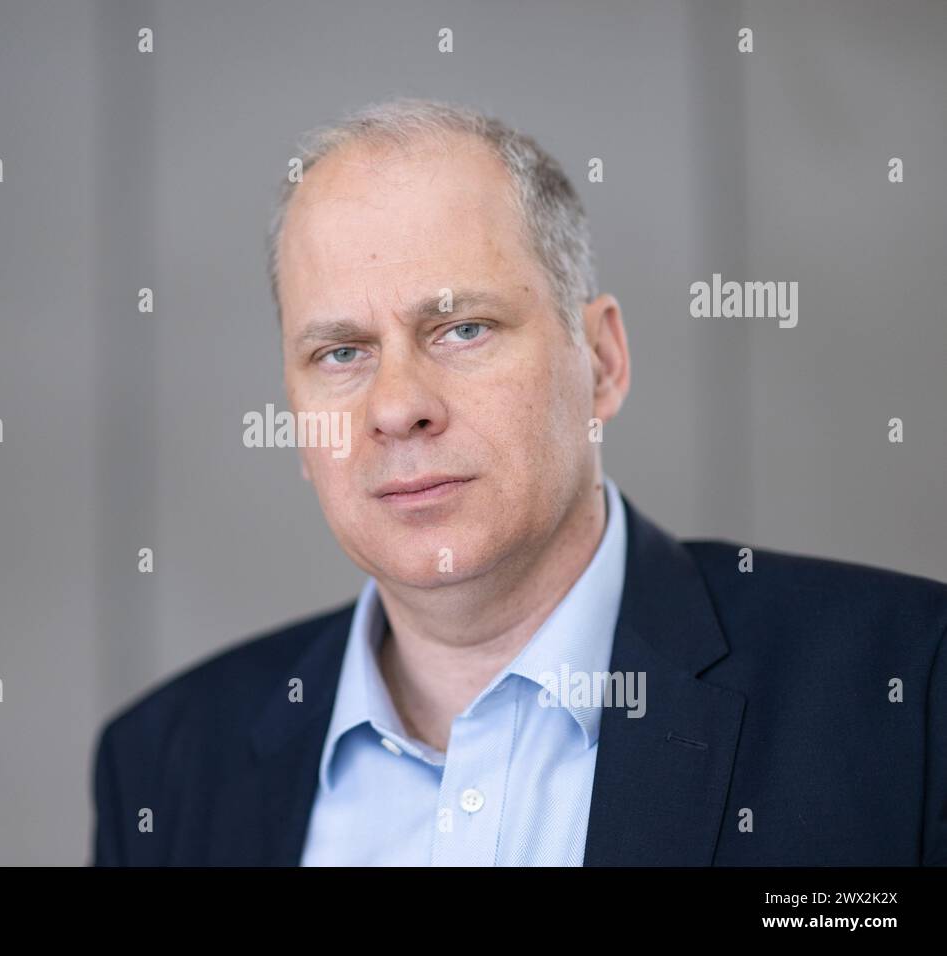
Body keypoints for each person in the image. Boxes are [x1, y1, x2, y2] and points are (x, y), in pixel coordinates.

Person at [91, 98, 947, 866]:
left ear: (603, 363)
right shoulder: (165, 767)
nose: (398, 408)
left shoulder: (907, 694)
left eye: (463, 328)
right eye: (341, 354)